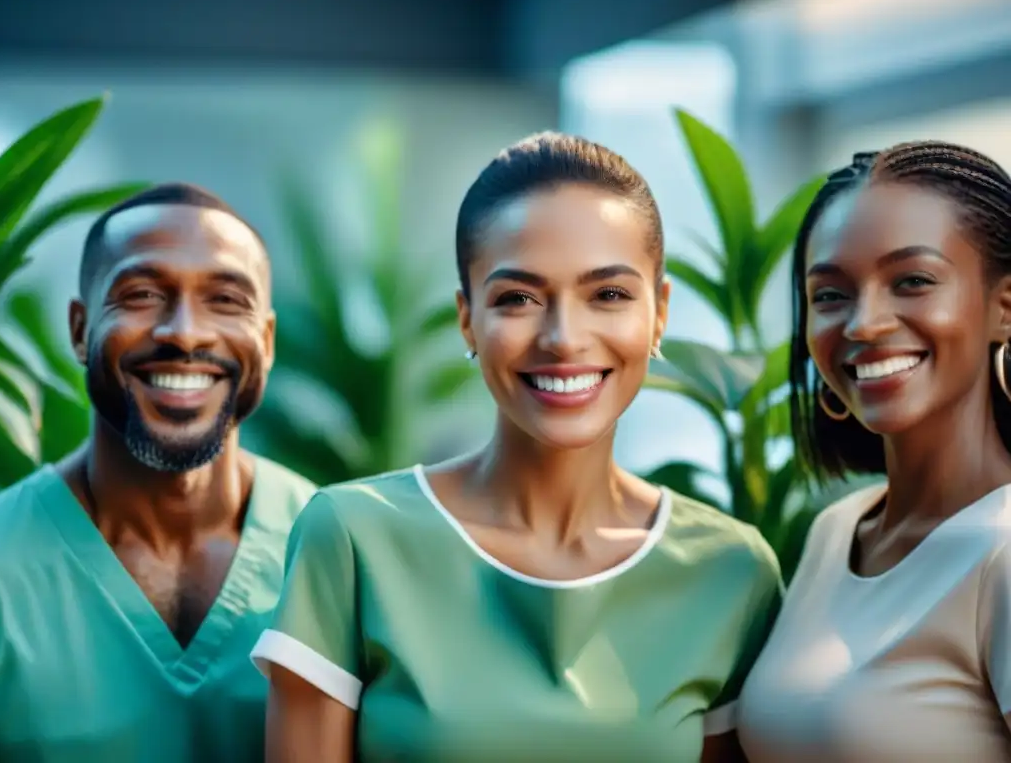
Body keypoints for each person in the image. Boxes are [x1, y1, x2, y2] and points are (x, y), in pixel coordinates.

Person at [252, 132, 783, 762]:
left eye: (608, 294)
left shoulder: (730, 570)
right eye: (518, 299)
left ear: (659, 313)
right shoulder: (353, 537)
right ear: (467, 318)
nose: (563, 337)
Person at [0, 183, 316, 762]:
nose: (184, 333)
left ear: (265, 341)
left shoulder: (336, 550)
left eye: (225, 300)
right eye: (141, 294)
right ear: (80, 329)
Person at [737, 142, 1011, 761]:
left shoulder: (1003, 550)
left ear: (1005, 307)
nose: (863, 323)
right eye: (830, 295)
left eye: (912, 281)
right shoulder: (837, 530)